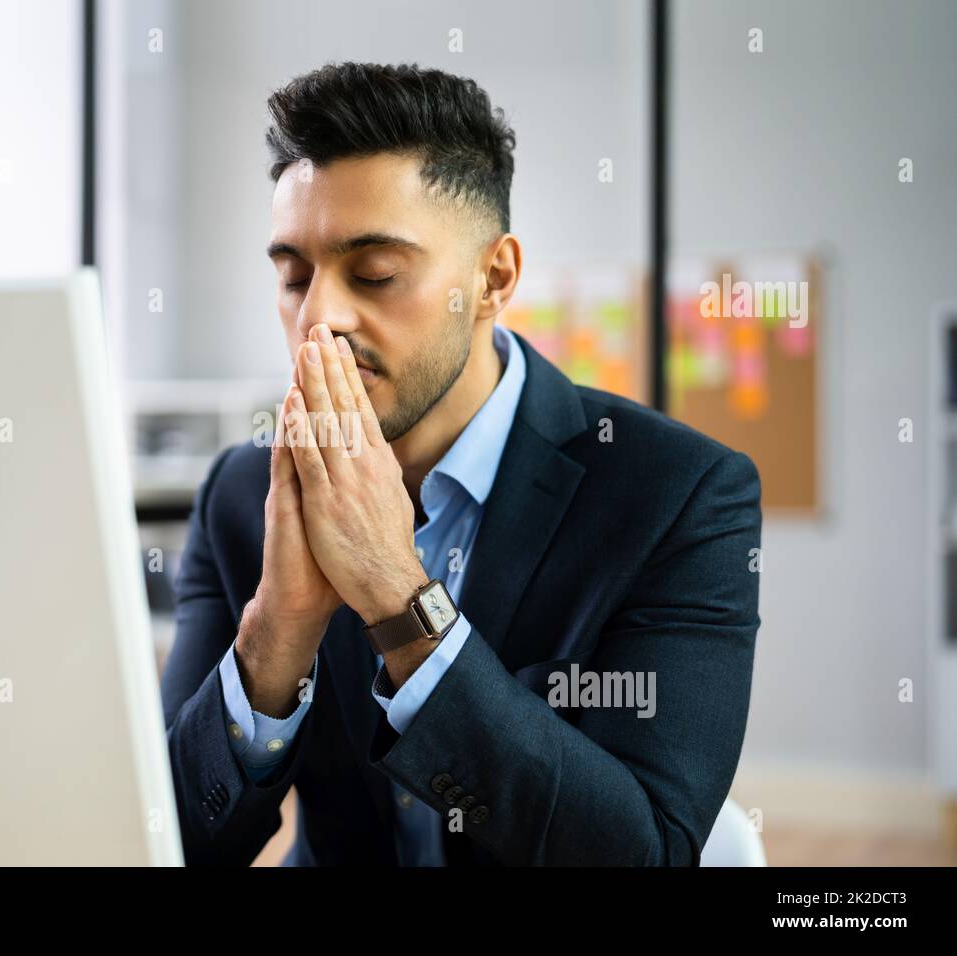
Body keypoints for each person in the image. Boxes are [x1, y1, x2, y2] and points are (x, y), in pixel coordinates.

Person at [160, 62, 762, 866]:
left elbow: (641, 851)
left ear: (494, 279)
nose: (320, 317)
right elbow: (165, 841)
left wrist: (396, 600)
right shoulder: (243, 495)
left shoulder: (680, 496)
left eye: (374, 274)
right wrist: (275, 634)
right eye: (293, 276)